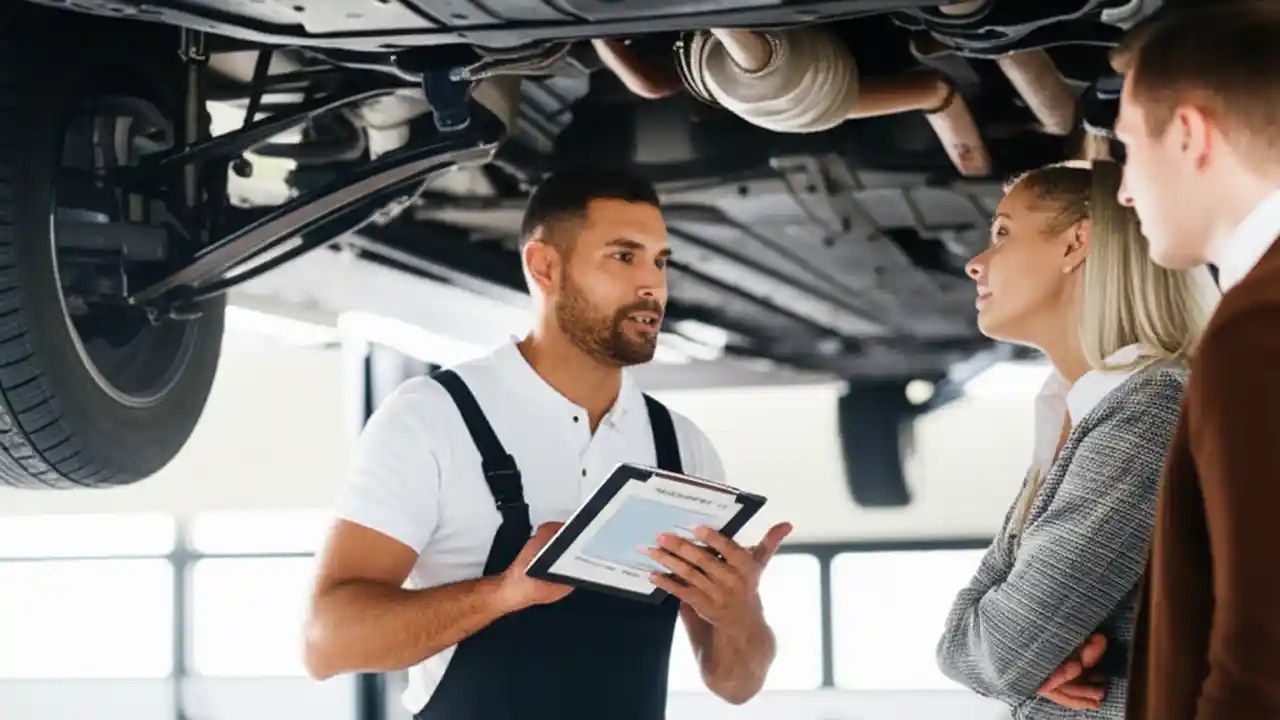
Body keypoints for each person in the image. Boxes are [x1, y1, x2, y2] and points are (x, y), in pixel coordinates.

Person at [301, 167, 793, 719]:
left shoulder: (681, 447)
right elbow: (327, 644)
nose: (652, 285)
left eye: (660, 260)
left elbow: (736, 684)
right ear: (544, 266)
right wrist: (501, 594)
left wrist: (738, 610)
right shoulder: (434, 418)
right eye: (623, 257)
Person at [935, 160, 1218, 719]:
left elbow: (1000, 653)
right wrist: (1019, 660)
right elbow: (1010, 653)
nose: (975, 263)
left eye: (1002, 234)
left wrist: (1005, 660)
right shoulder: (1084, 406)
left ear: (1076, 244)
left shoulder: (1151, 409)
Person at [1110, 3, 1280, 718]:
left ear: (1187, 134)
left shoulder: (1260, 327)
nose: (1122, 188)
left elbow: (1262, 668)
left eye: (1126, 148)